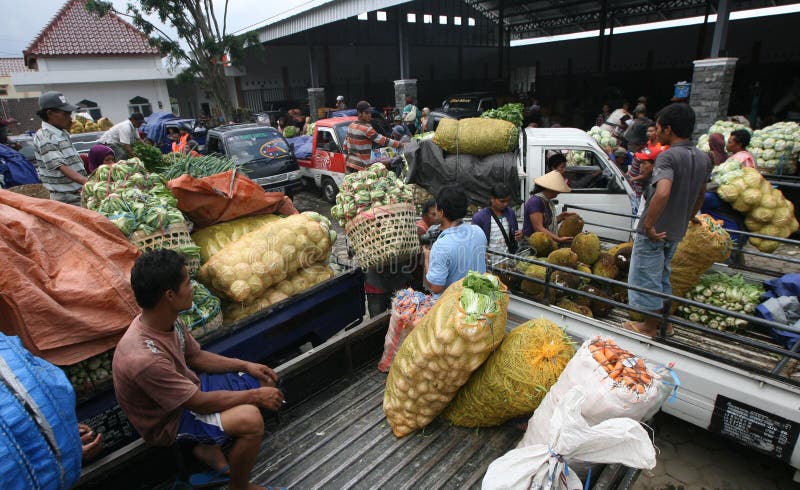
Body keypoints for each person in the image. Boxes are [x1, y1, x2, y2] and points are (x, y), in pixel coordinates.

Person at [113, 250, 283, 490]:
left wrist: (246, 365)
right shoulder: (144, 358)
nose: (192, 287)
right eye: (186, 282)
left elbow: (196, 356)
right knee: (251, 419)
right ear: (170, 295)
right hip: (171, 420)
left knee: (265, 380)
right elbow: (198, 403)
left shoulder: (167, 319)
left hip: (189, 392)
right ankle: (239, 487)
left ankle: (207, 449)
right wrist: (254, 397)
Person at [624, 103, 712, 338]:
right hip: (676, 229)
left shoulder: (668, 157)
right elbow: (701, 193)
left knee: (647, 277)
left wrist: (650, 224)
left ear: (668, 129)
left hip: (657, 229)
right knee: (663, 275)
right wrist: (689, 216)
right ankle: (666, 324)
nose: (657, 129)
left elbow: (663, 192)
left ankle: (649, 327)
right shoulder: (703, 158)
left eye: (659, 125)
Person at [424, 185, 487, 295]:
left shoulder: (441, 245)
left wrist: (427, 258)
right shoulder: (479, 232)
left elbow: (436, 287)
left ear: (441, 212)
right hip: (477, 303)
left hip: (453, 309)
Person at [32, 91, 88, 205]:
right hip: (66, 199)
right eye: (65, 114)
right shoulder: (44, 137)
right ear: (50, 113)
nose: (70, 118)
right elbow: (62, 167)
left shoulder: (62, 133)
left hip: (77, 194)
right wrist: (89, 183)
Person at [344, 101, 403, 173]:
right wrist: (400, 144)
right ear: (359, 113)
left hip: (350, 165)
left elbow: (345, 145)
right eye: (367, 113)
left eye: (370, 112)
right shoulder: (366, 129)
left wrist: (346, 160)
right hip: (361, 167)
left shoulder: (350, 126)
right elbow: (383, 140)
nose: (370, 115)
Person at [522, 170, 575, 243]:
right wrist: (558, 239)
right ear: (550, 189)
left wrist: (561, 217)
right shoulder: (535, 202)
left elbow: (547, 223)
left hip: (545, 242)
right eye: (558, 190)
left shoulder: (547, 201)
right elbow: (538, 228)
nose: (559, 192)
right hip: (533, 245)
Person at [471, 184, 522, 257]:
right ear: (492, 199)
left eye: (507, 201)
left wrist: (520, 235)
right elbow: (474, 243)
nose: (505, 204)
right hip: (489, 263)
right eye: (502, 201)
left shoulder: (510, 213)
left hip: (507, 261)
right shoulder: (479, 218)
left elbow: (514, 237)